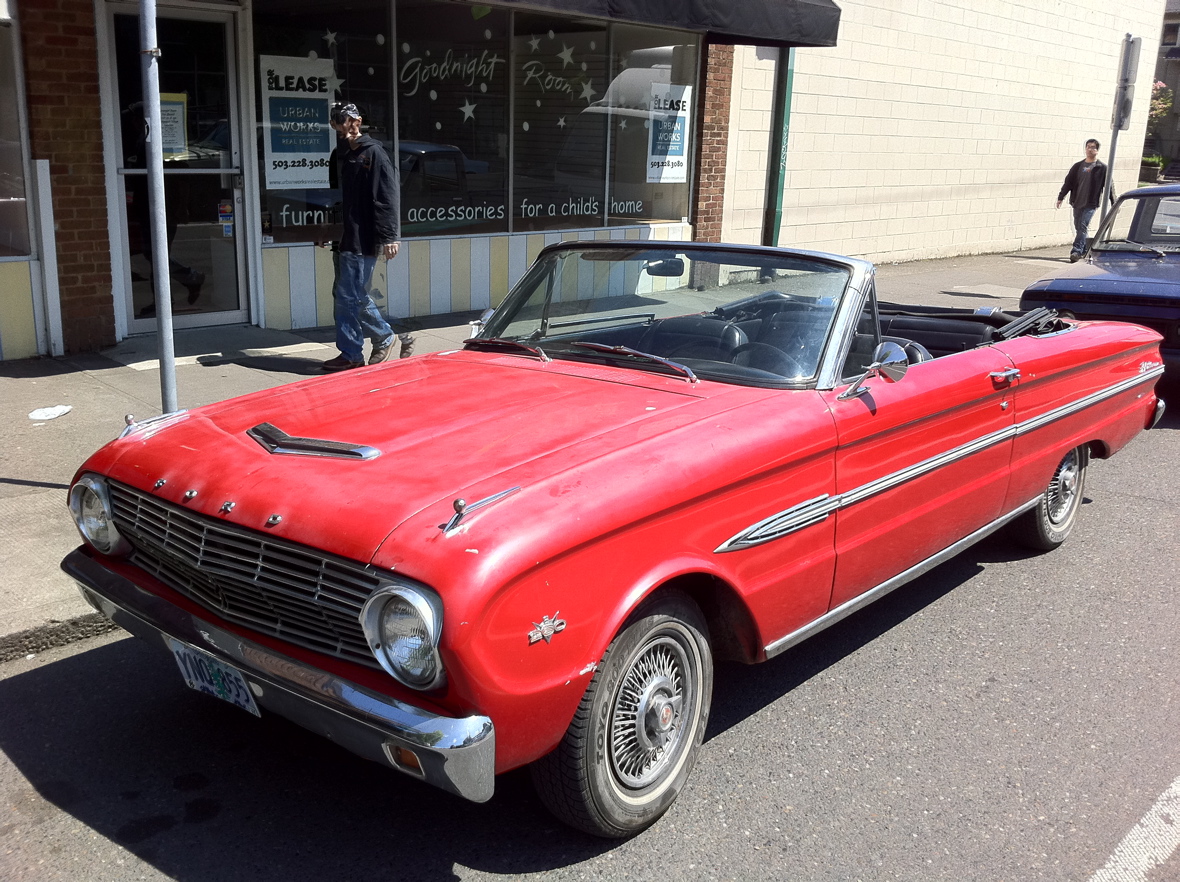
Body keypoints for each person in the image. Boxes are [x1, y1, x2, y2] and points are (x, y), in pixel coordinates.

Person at [322, 102, 414, 371]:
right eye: (336, 120)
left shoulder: (374, 153)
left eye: (344, 119)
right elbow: (335, 197)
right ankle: (353, 353)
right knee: (344, 296)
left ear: (358, 121)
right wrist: (325, 230)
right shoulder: (341, 154)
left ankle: (378, 339)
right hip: (344, 237)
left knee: (352, 297)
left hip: (363, 238)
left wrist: (391, 236)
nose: (340, 124)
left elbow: (387, 196)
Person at [1056, 139, 1111, 262]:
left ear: (1097, 150)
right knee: (1079, 227)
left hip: (1091, 203)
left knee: (1082, 226)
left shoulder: (1102, 168)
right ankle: (1086, 249)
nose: (1090, 149)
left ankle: (1076, 251)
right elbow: (1068, 183)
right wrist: (1061, 197)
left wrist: (1114, 201)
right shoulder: (1077, 166)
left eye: (1093, 147)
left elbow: (1109, 186)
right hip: (1077, 201)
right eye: (1088, 147)